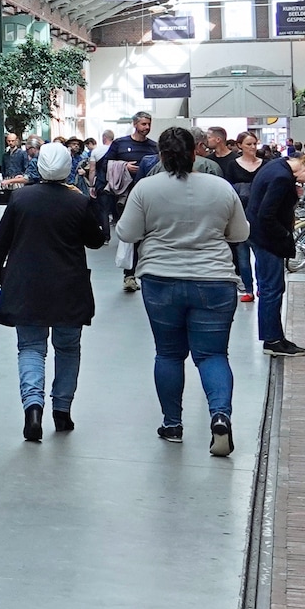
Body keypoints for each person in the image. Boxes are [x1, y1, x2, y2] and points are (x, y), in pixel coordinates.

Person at [114, 127, 250, 456]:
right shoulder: (220, 187)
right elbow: (240, 233)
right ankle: (220, 416)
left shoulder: (146, 188)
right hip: (215, 281)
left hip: (162, 280)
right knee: (213, 355)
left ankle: (172, 423)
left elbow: (127, 231)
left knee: (169, 354)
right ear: (195, 152)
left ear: (160, 155)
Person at [0, 142, 107, 440]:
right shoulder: (78, 202)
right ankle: (62, 411)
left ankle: (33, 409)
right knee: (67, 348)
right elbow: (95, 240)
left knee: (30, 348)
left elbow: (1, 241)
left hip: (26, 285)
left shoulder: (20, 198)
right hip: (69, 286)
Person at [244, 145, 305, 358]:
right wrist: (285, 235)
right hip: (267, 239)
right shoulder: (282, 178)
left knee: (269, 287)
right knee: (272, 289)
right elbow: (267, 214)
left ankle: (274, 336)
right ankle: (273, 340)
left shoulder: (277, 166)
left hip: (259, 236)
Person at [100, 112, 161, 291]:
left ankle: (148, 272)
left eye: (149, 124)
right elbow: (106, 164)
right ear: (135, 124)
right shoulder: (120, 144)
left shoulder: (153, 147)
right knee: (131, 236)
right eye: (143, 124)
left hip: (149, 197)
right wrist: (123, 166)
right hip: (125, 197)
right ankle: (129, 275)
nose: (147, 128)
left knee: (148, 236)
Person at [225, 132, 265, 303]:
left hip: (260, 216)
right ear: (240, 145)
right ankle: (248, 289)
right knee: (242, 256)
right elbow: (228, 190)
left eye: (254, 144)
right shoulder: (233, 166)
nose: (253, 147)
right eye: (249, 144)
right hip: (240, 216)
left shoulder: (265, 165)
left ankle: (262, 288)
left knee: (261, 255)